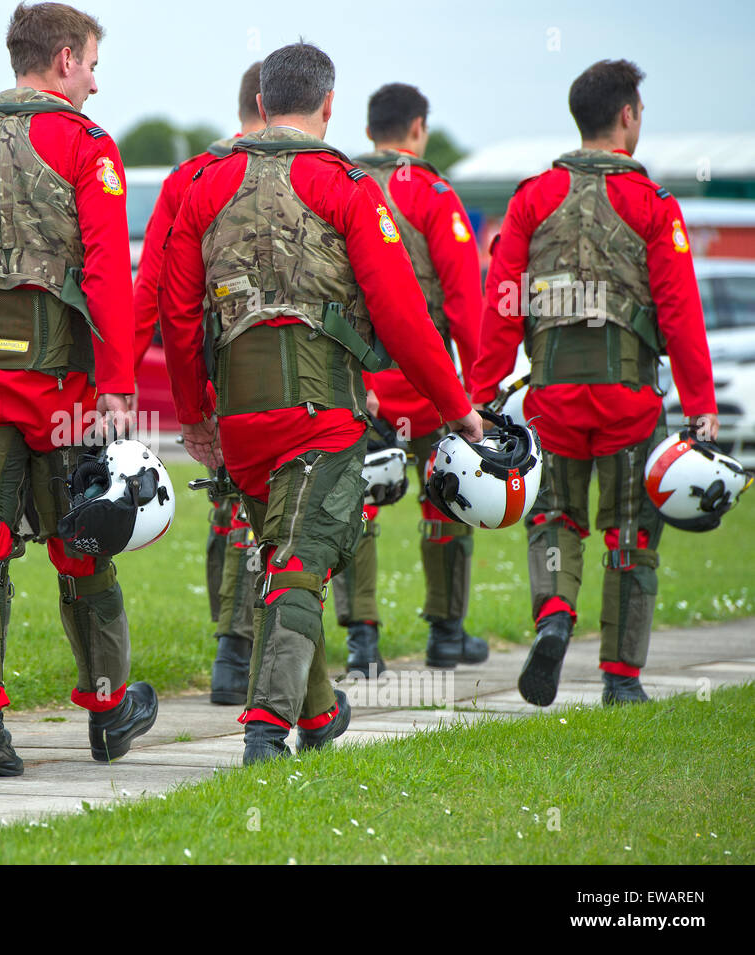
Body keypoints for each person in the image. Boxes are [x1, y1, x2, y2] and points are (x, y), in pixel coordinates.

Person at [159, 42, 482, 764]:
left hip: (239, 417)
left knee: (278, 560)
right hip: (322, 413)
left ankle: (324, 708)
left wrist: (194, 414)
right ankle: (267, 730)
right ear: (329, 107)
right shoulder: (347, 187)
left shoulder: (203, 185)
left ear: (263, 103)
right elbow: (403, 316)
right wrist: (459, 406)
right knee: (300, 567)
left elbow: (176, 315)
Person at [0, 1, 157, 780]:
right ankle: (108, 706)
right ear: (61, 60)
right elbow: (111, 270)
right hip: (63, 389)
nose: (94, 81)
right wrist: (118, 381)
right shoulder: (85, 145)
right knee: (83, 543)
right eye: (90, 64)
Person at [471, 60, 716, 707]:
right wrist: (701, 407)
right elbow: (681, 312)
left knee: (553, 516)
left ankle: (554, 611)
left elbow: (503, 303)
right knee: (631, 531)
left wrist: (483, 390)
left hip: (549, 394)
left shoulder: (530, 200)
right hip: (630, 399)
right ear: (628, 116)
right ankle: (621, 676)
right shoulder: (654, 205)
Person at [339, 82, 487, 673]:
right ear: (418, 128)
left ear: (370, 127)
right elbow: (464, 304)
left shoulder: (338, 182)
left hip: (359, 388)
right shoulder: (432, 191)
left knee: (359, 507)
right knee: (448, 503)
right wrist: (474, 389)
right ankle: (446, 634)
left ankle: (362, 643)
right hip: (427, 389)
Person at [132, 62, 263, 706]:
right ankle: (245, 652)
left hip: (212, 368)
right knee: (269, 512)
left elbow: (154, 288)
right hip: (292, 379)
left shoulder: (189, 179)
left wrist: (122, 379)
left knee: (227, 504)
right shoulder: (317, 172)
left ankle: (229, 648)